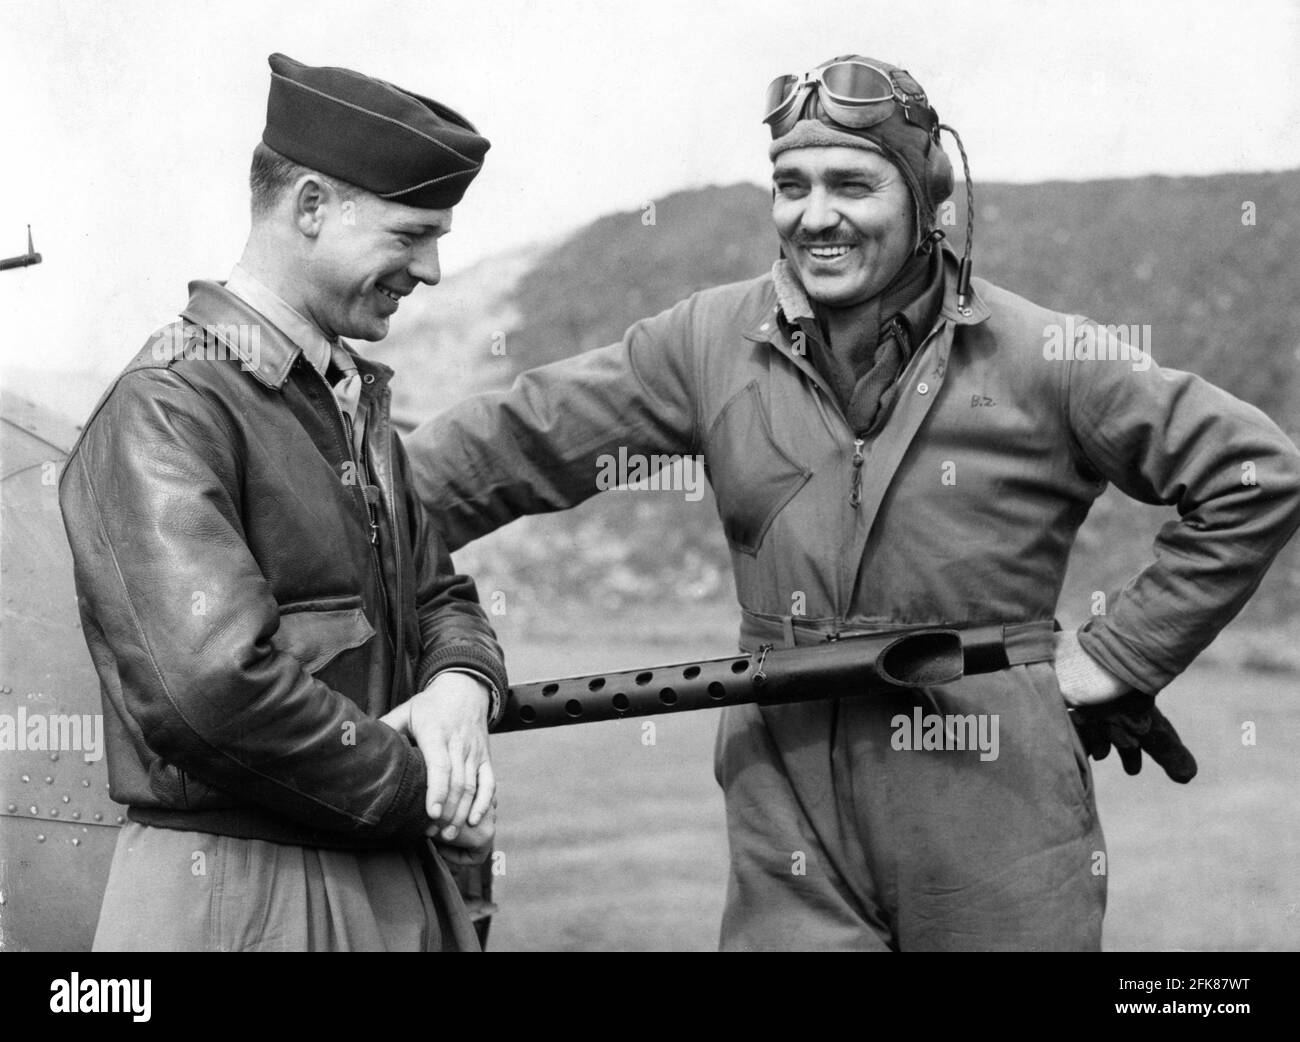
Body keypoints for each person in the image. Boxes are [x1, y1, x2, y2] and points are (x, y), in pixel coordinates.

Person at [403, 54, 1300, 951]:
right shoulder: (708, 340)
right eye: (790, 185)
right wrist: (323, 513)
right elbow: (512, 446)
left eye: (851, 183)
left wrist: (1119, 656)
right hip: (783, 792)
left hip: (994, 783)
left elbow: (1254, 473)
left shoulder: (1042, 355)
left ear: (927, 196)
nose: (814, 215)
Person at [59, 53, 506, 952]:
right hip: (236, 896)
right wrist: (424, 788)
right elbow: (209, 694)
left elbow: (441, 598)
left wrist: (459, 687)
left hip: (378, 872)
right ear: (309, 206)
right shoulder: (170, 403)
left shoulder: (346, 402)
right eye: (412, 235)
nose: (433, 270)